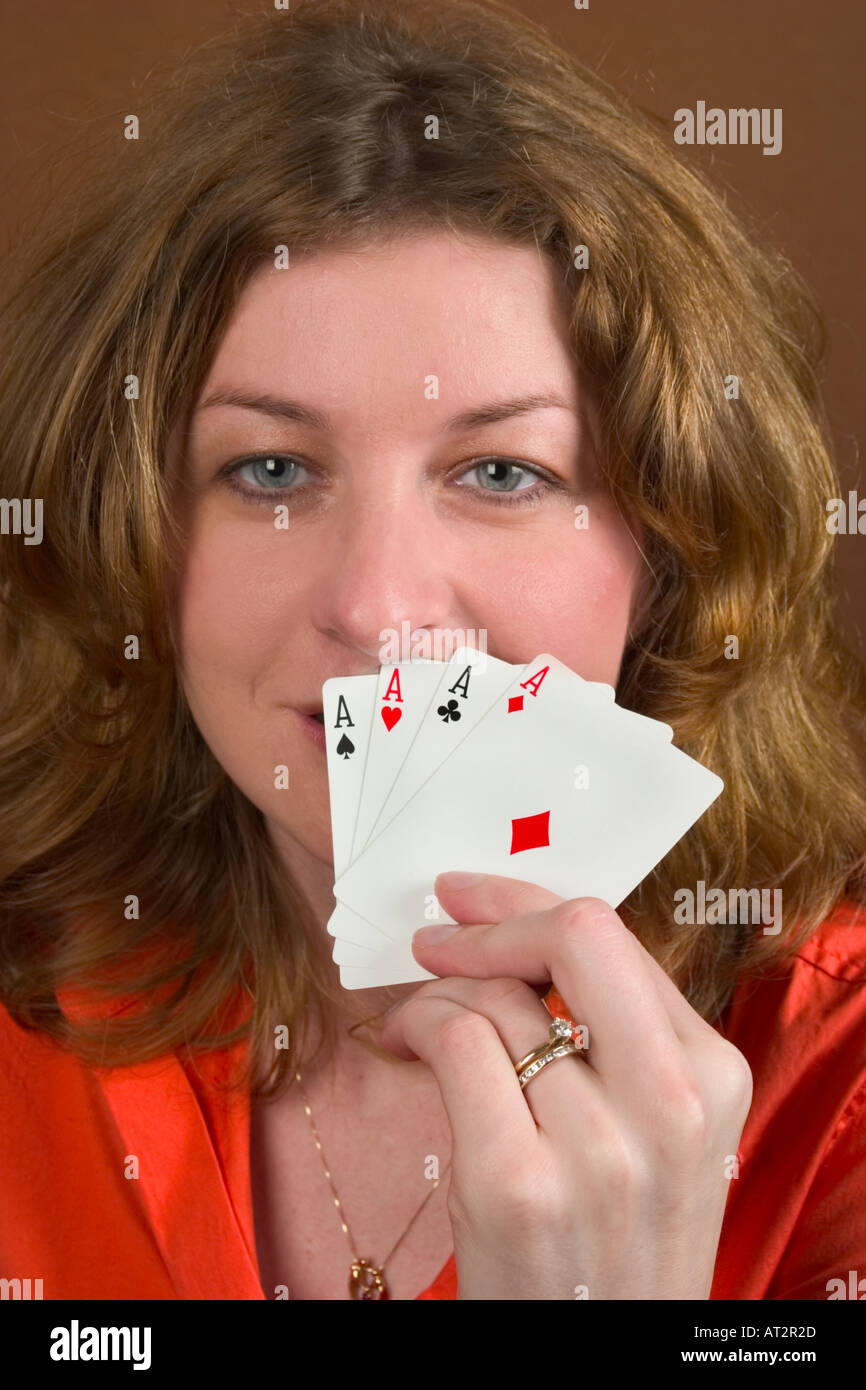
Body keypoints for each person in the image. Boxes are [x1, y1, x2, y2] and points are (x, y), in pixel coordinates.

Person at [1, 0, 865, 1302]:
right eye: (271, 468)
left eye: (502, 471)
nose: (376, 605)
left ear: (670, 548)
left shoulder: (840, 1077)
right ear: (135, 535)